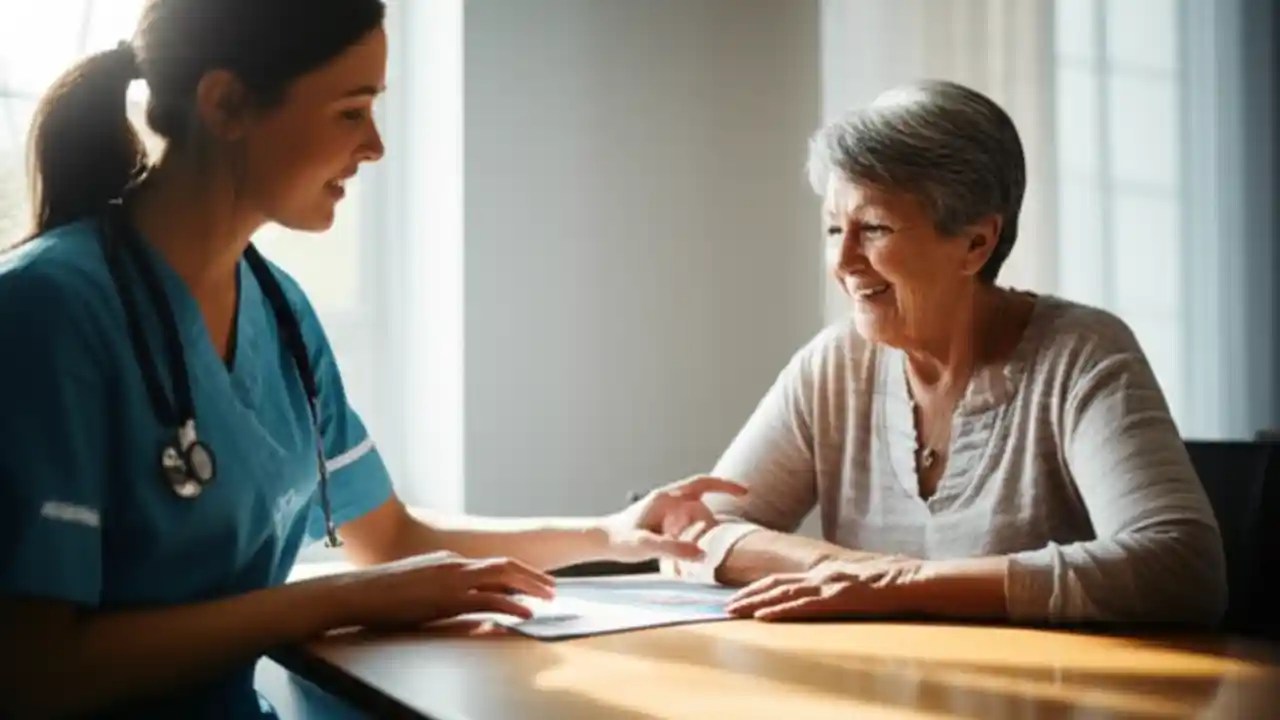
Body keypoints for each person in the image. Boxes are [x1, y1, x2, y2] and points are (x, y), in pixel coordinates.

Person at [0, 1, 744, 717]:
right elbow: (35, 672)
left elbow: (391, 538)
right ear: (225, 104)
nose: (376, 146)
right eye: (351, 111)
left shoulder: (279, 309)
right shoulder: (46, 313)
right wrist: (339, 598)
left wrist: (609, 536)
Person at [663, 79, 1227, 627]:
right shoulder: (834, 365)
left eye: (875, 228)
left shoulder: (1081, 355)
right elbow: (690, 535)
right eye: (835, 229)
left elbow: (1182, 567)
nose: (844, 261)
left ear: (976, 243)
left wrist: (901, 587)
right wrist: (857, 573)